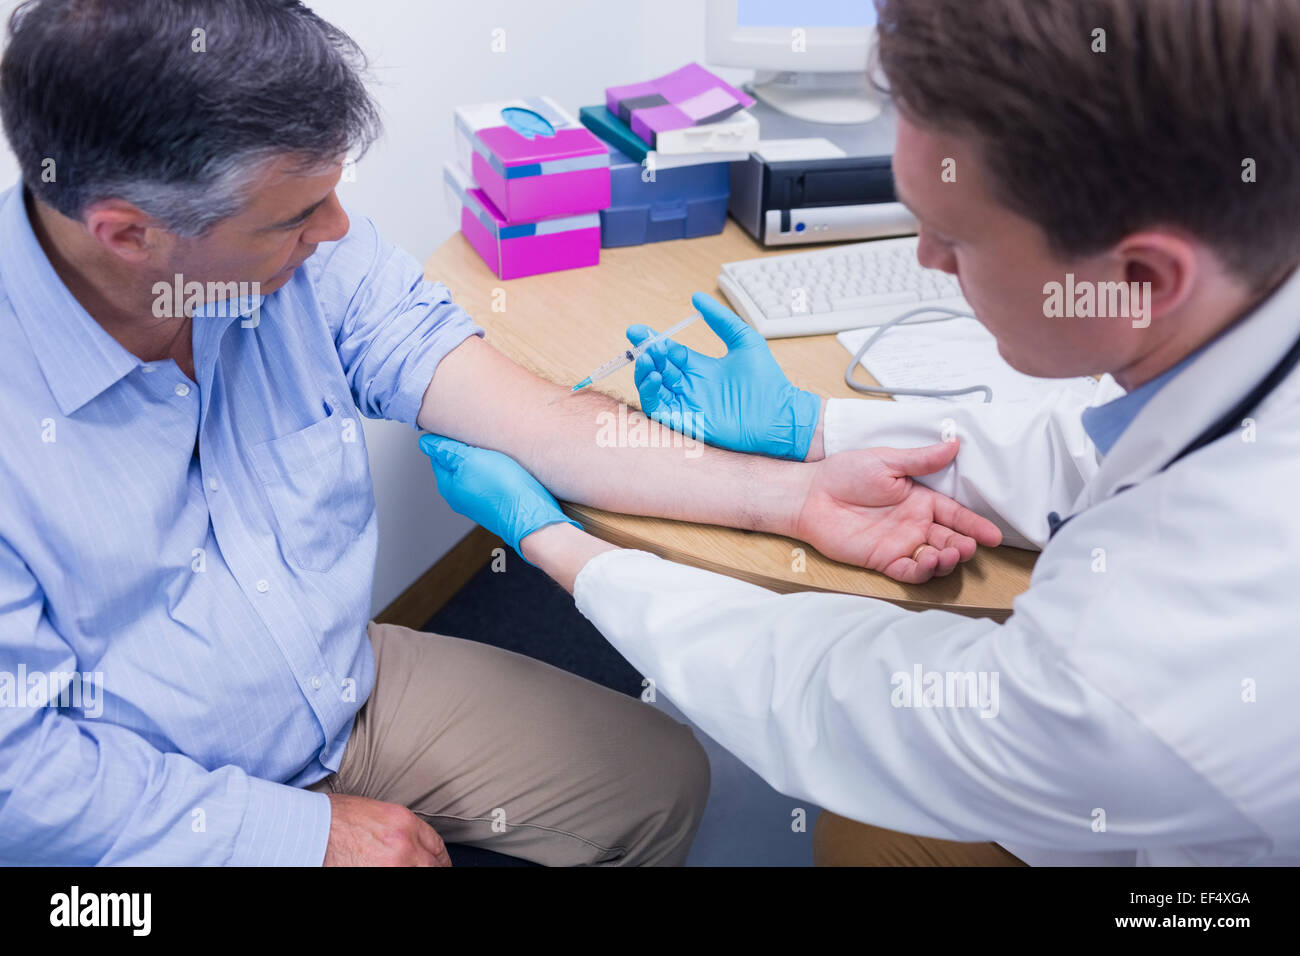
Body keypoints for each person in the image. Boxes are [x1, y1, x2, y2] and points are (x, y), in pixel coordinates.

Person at [0, 0, 1001, 866]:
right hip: (132, 798)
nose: (339, 230)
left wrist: (792, 491)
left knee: (662, 780)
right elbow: (24, 778)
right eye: (296, 215)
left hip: (327, 689)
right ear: (130, 231)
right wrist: (294, 836)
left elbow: (532, 419)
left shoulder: (299, 257)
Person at [421, 0, 1300, 866]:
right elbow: (1094, 446)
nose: (924, 259)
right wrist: (811, 426)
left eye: (954, 237)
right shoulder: (1250, 312)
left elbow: (843, 703)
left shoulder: (1174, 638)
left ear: (1140, 277)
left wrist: (563, 549)